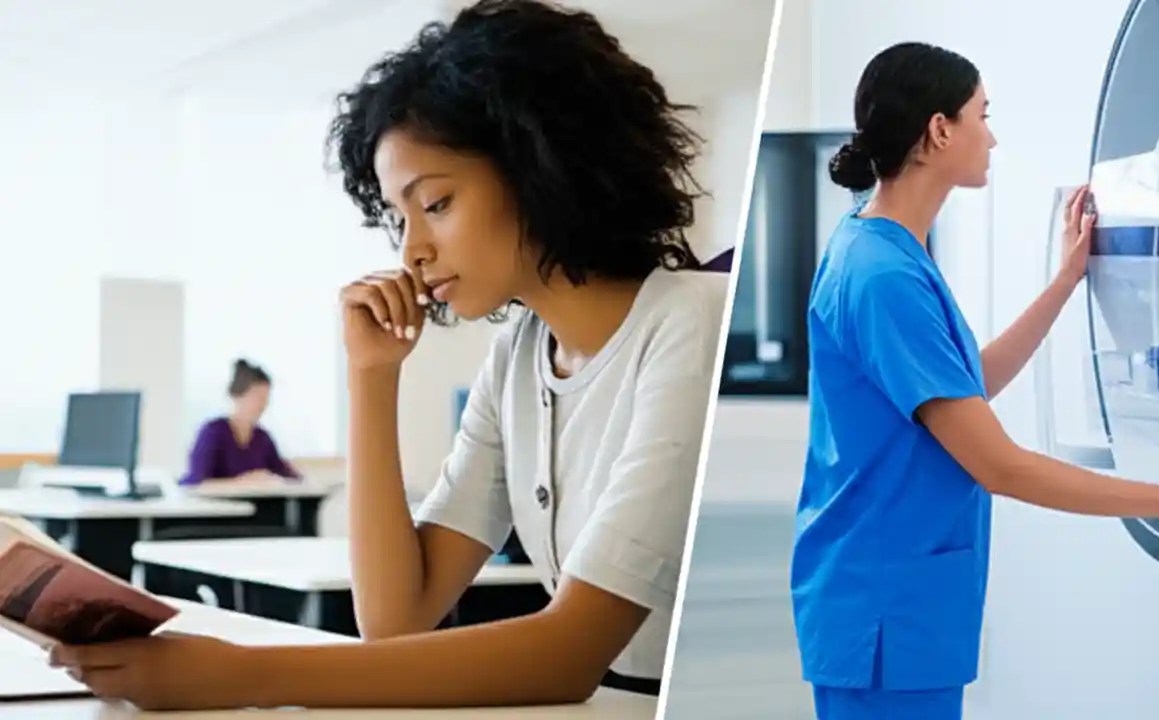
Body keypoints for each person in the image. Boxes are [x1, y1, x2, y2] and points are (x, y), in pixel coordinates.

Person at [49, 0, 725, 711]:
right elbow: (396, 620)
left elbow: (566, 655)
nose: (411, 252)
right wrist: (370, 377)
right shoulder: (517, 355)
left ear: (542, 169)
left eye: (435, 203)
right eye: (399, 218)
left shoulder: (693, 321)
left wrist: (244, 674)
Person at [789, 42, 1159, 720]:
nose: (991, 135)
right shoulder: (884, 276)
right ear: (939, 130)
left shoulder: (882, 247)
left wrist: (1064, 282)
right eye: (982, 116)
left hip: (895, 597)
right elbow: (999, 466)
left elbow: (962, 386)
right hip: (883, 609)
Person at [178, 359, 300, 486]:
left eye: (265, 398)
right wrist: (243, 482)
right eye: (256, 397)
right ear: (237, 396)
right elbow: (197, 481)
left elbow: (287, 476)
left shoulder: (262, 438)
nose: (262, 404)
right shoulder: (213, 433)